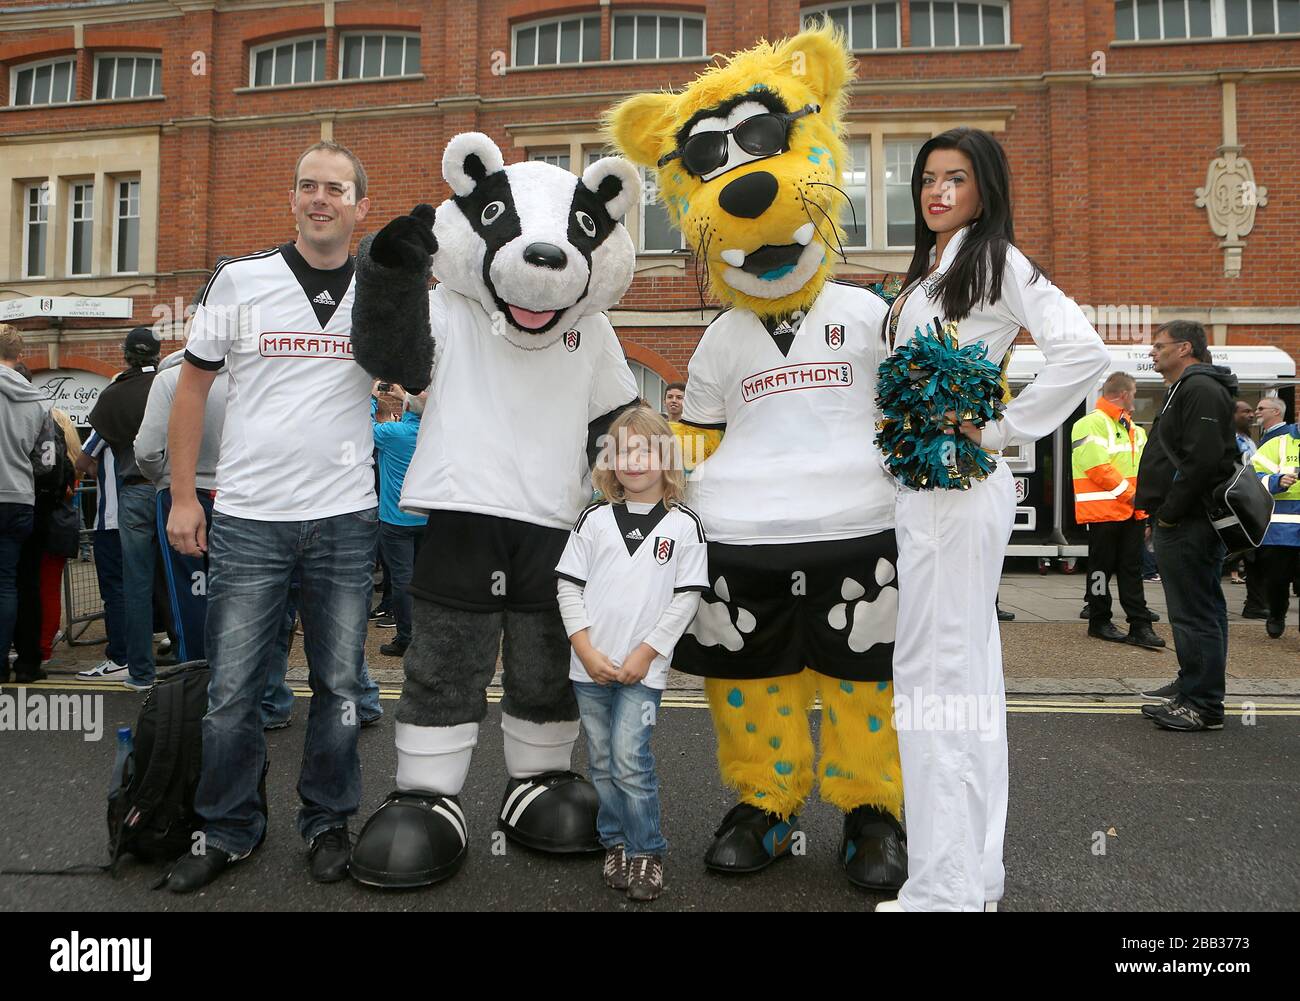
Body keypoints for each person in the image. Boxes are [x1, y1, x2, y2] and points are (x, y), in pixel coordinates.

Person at [876, 127, 1108, 912]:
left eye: (957, 178)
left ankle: (944, 885)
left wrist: (1001, 426)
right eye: (928, 179)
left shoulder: (996, 260)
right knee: (962, 677)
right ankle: (967, 873)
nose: (937, 192)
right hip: (930, 492)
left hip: (953, 489)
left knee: (937, 677)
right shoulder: (935, 268)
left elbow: (1083, 352)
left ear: (986, 188)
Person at [163, 139, 378, 892]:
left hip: (346, 519)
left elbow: (428, 368)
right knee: (231, 693)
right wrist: (185, 495)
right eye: (307, 186)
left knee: (341, 688)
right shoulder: (240, 278)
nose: (320, 199)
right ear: (292, 199)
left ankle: (327, 822)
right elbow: (192, 390)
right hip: (250, 518)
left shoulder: (383, 288)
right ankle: (226, 828)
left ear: (360, 206)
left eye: (335, 188)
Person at [556, 407, 707, 901]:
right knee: (600, 761)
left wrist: (646, 652)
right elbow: (568, 588)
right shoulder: (593, 518)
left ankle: (646, 850)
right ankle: (614, 841)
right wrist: (584, 648)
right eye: (621, 450)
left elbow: (685, 599)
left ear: (667, 459)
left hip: (645, 670)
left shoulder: (685, 525)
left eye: (645, 449)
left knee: (629, 758)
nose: (632, 459)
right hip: (590, 668)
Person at [1134, 321, 1238, 731]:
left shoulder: (1200, 389)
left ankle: (1203, 704)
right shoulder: (1187, 387)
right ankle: (1192, 686)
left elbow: (1202, 460)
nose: (1153, 353)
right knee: (1200, 609)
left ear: (1185, 347)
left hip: (1190, 522)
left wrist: (1170, 513)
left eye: (1159, 346)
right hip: (1181, 518)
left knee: (1194, 613)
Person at [85, 326, 165, 691]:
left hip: (132, 492)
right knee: (185, 577)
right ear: (157, 353)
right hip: (173, 488)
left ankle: (141, 672)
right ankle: (195, 664)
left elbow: (89, 454)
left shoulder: (112, 395)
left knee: (136, 583)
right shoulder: (169, 386)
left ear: (125, 354)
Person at [1071, 372, 1163, 649]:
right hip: (1105, 512)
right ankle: (1099, 620)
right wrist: (1134, 497)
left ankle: (1139, 623)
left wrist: (1142, 506)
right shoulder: (1090, 424)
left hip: (1131, 512)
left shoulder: (1136, 430)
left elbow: (1143, 470)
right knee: (1100, 570)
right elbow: (1097, 468)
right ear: (1124, 394)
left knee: (1131, 570)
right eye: (1134, 393)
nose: (1134, 398)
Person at [0, 325, 60, 684]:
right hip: (20, 498)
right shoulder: (39, 401)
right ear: (21, 356)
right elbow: (48, 460)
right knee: (11, 582)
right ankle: (18, 664)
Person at [370, 382, 427, 658]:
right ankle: (426, 637)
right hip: (427, 518)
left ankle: (406, 637)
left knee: (403, 579)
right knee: (424, 579)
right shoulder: (433, 433)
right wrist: (405, 397)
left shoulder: (394, 433)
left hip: (396, 519)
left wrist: (372, 398)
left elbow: (364, 428)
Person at [76, 427, 128, 677]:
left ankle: (120, 657)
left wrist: (100, 472)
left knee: (114, 591)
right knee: (140, 589)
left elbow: (82, 459)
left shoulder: (110, 415)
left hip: (111, 519)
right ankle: (138, 654)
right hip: (145, 514)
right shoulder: (149, 407)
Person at [36, 409, 82, 662]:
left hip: (41, 523)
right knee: (50, 589)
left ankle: (38, 644)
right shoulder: (71, 464)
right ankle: (45, 645)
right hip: (62, 526)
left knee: (33, 587)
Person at [1251, 421, 1299, 639]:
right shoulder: (1277, 444)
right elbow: (1252, 478)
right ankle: (1277, 614)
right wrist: (1277, 480)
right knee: (1277, 579)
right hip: (1281, 529)